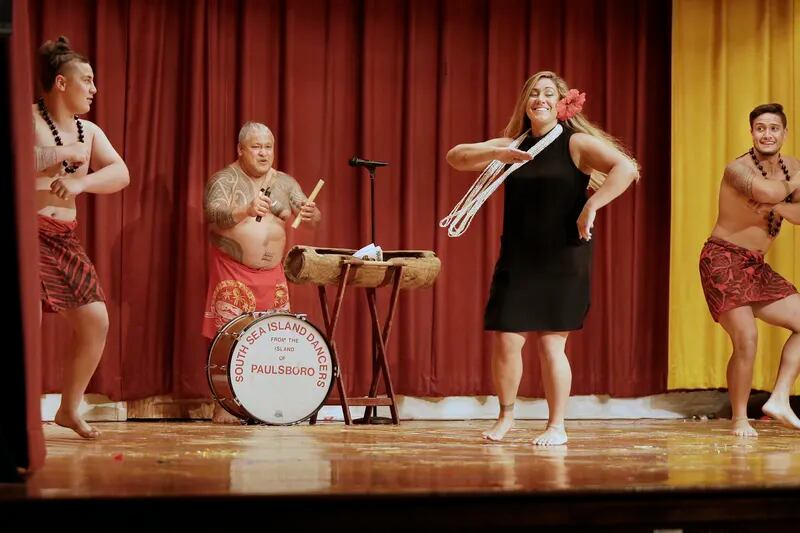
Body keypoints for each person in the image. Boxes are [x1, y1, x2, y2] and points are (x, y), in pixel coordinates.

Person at [446, 71, 638, 445]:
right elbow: (456, 157)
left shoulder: (576, 143)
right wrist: (494, 153)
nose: (540, 99)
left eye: (549, 93)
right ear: (525, 102)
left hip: (564, 255)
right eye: (534, 93)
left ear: (563, 102)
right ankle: (505, 417)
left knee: (552, 344)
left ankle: (556, 426)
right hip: (518, 255)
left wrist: (592, 206)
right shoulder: (512, 145)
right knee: (506, 339)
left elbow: (626, 168)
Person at [33, 37, 130, 439]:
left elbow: (121, 173)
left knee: (95, 321)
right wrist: (59, 154)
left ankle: (69, 408)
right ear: (61, 82)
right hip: (28, 234)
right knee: (28, 323)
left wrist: (81, 183)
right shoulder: (27, 119)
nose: (93, 89)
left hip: (63, 238)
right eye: (86, 80)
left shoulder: (88, 130)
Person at [202, 121, 321, 423]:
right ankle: (224, 406)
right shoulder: (224, 180)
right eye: (256, 147)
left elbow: (308, 212)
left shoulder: (284, 182)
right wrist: (245, 209)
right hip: (233, 270)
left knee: (275, 342)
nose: (264, 153)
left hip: (273, 274)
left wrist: (311, 214)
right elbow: (213, 214)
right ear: (241, 150)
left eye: (268, 147)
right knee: (230, 340)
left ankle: (268, 403)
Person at [699, 103, 800, 437]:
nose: (767, 134)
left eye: (773, 128)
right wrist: (786, 193)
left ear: (784, 133)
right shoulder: (738, 169)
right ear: (751, 132)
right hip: (722, 260)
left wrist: (780, 206)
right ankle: (740, 418)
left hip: (755, 266)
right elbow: (765, 191)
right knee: (747, 339)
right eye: (760, 128)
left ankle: (780, 398)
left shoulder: (791, 167)